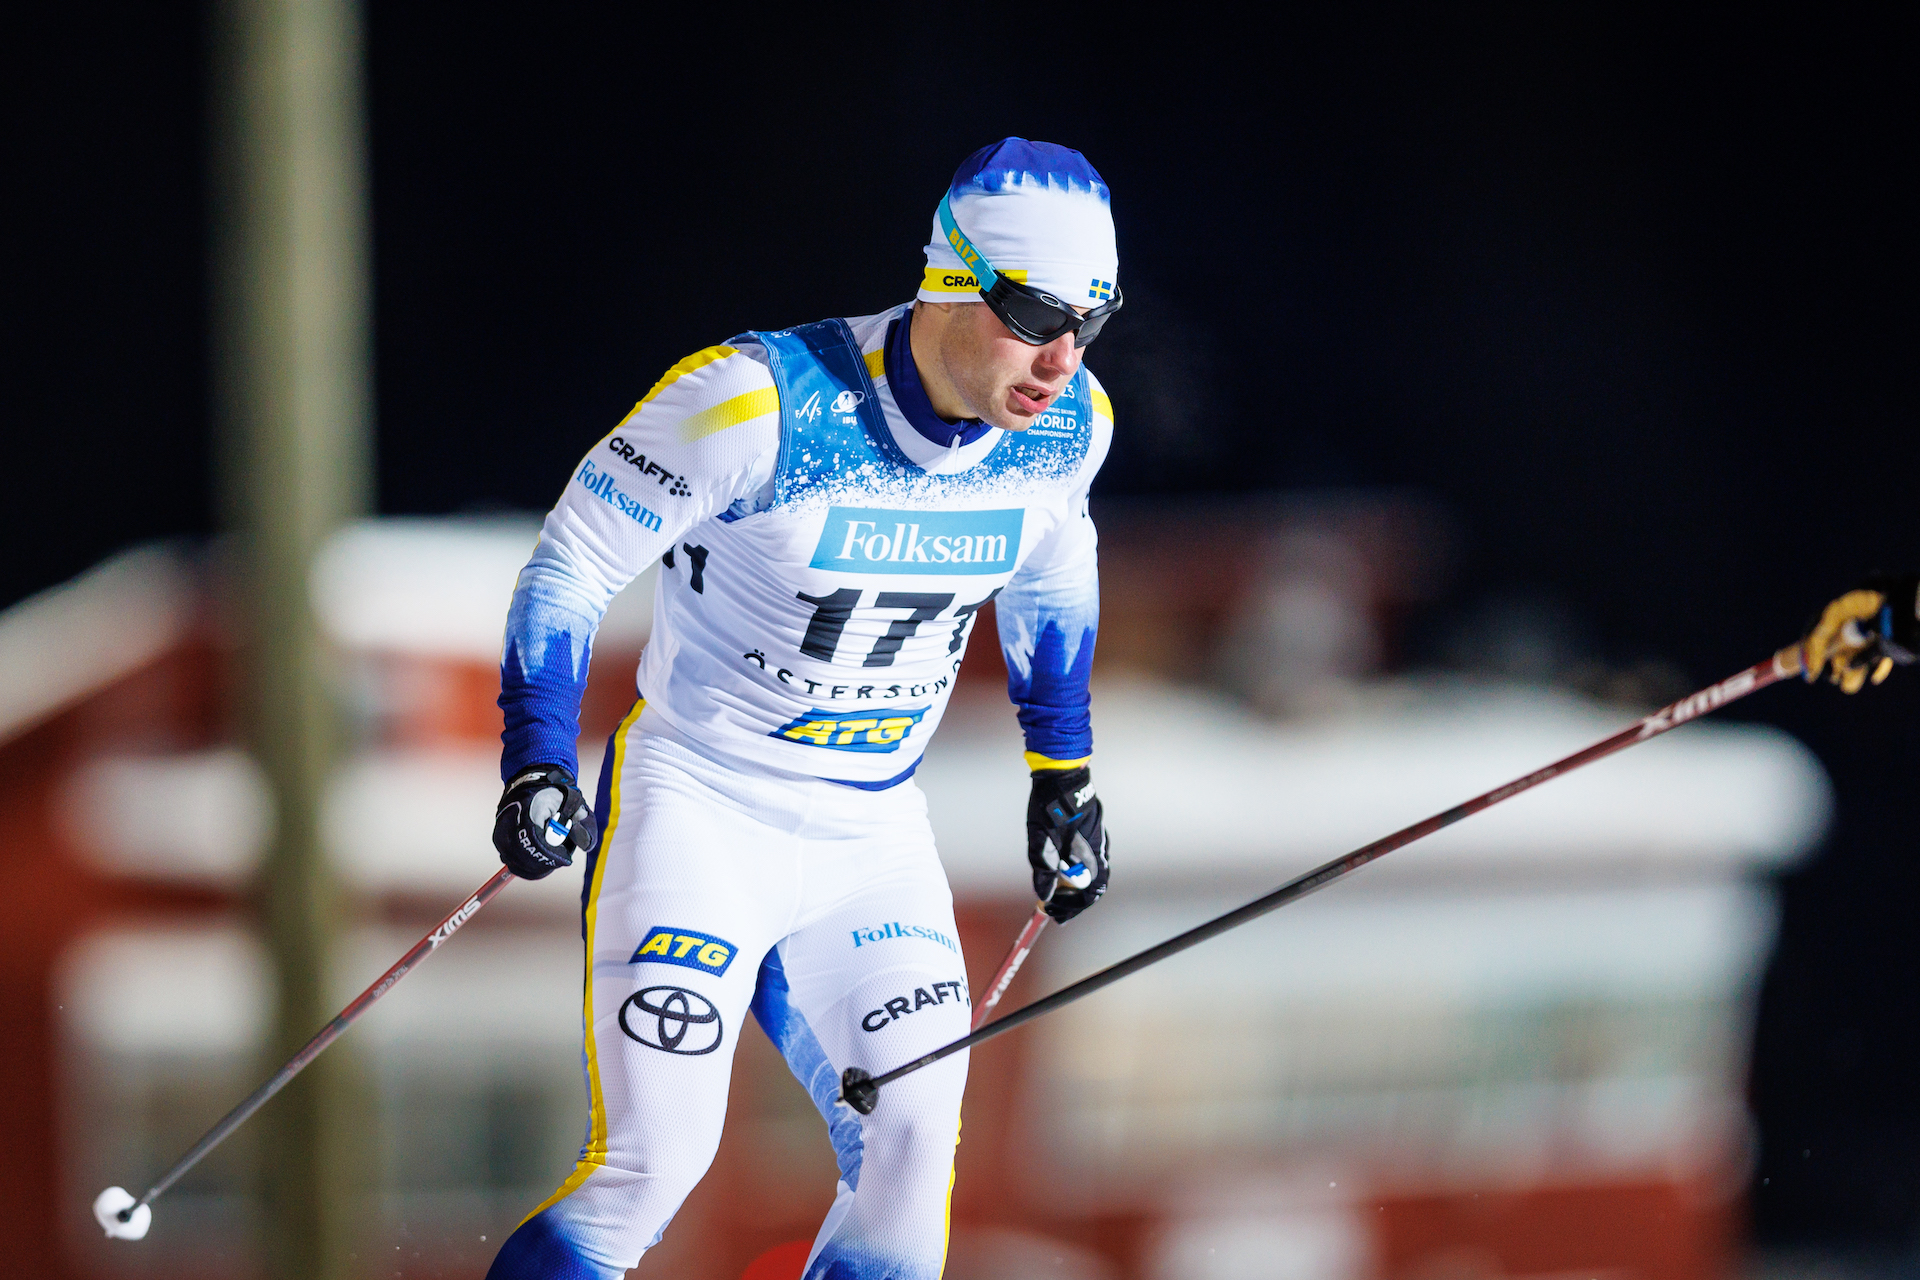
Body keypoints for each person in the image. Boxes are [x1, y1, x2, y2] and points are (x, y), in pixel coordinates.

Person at [482, 138, 1121, 1280]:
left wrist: (1062, 777)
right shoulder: (759, 403)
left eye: (1093, 319)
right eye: (1033, 312)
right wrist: (536, 756)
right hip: (701, 802)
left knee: (916, 1143)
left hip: (869, 828)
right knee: (655, 1161)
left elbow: (1053, 575)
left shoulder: (1069, 430)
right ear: (951, 279)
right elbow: (572, 563)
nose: (1062, 358)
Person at [1800, 573, 1919, 693]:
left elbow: (1888, 652)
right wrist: (1813, 656)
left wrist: (1862, 660)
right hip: (1874, 608)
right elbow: (1832, 618)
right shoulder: (1871, 601)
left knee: (1850, 683)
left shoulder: (1899, 647)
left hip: (1876, 642)